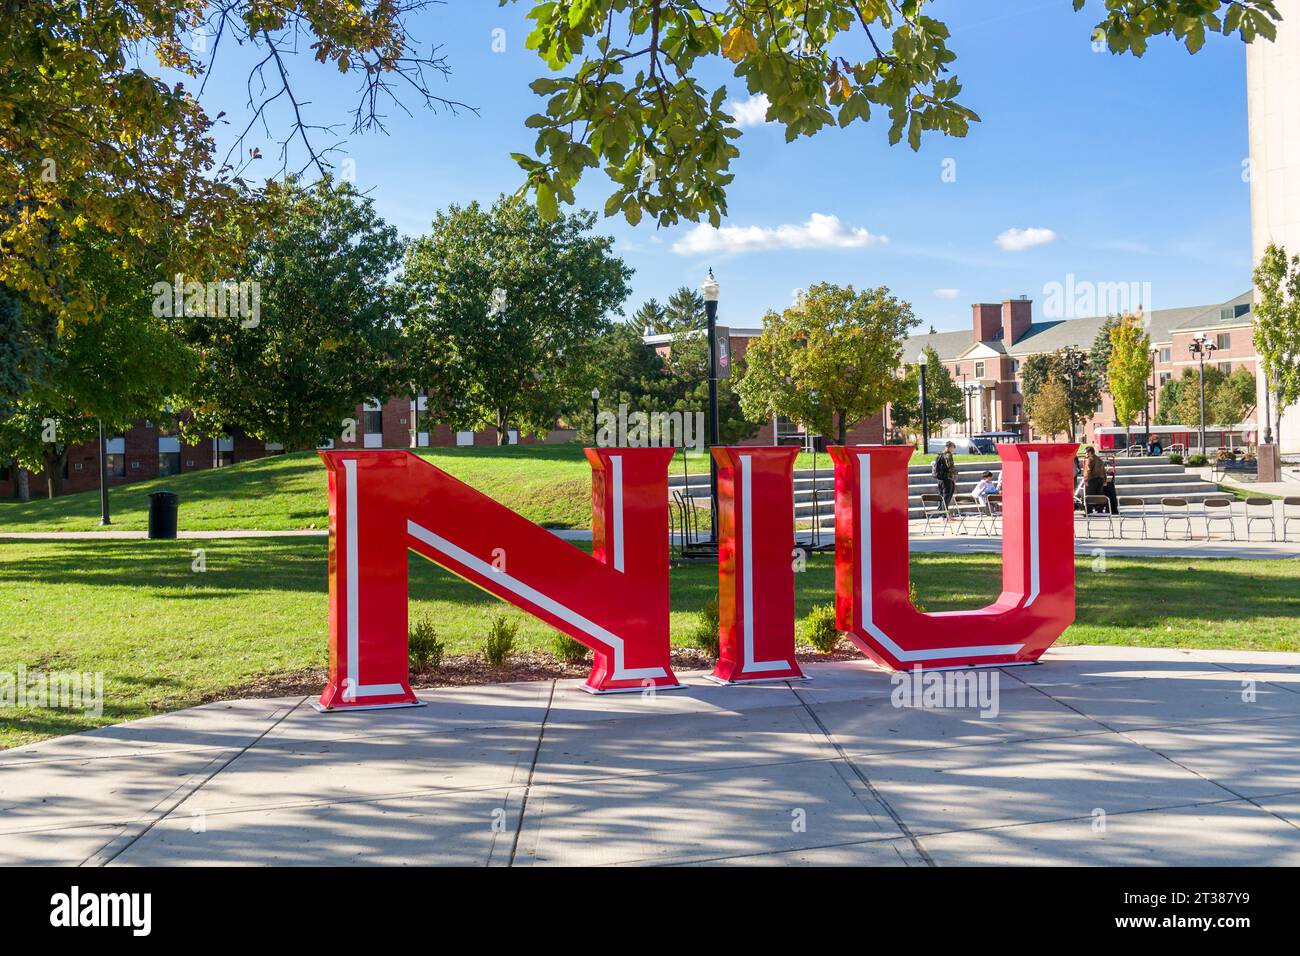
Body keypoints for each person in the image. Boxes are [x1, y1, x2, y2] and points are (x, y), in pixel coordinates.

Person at [931, 441, 957, 509]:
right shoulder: (948, 455)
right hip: (947, 479)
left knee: (941, 496)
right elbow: (950, 466)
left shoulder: (940, 455)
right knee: (947, 496)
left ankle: (940, 513)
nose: (953, 450)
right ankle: (945, 514)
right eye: (953, 448)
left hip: (940, 479)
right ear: (950, 447)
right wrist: (954, 476)